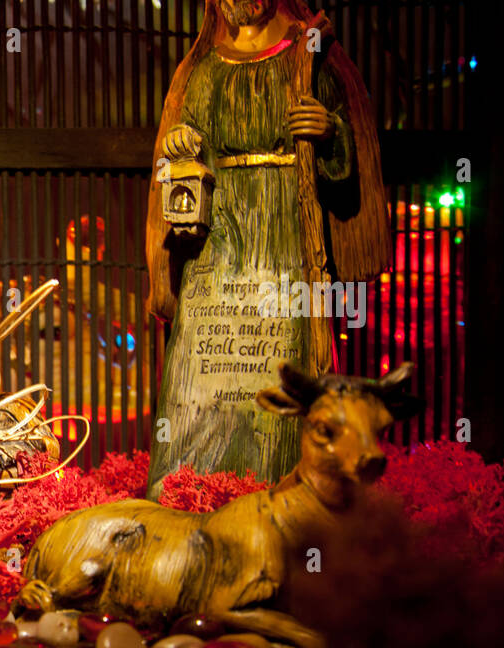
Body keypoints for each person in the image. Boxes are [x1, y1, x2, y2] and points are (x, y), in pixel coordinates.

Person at [144, 0, 389, 498]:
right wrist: (183, 140)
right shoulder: (205, 68)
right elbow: (183, 139)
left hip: (281, 226)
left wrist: (328, 132)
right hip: (216, 236)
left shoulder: (307, 53)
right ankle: (186, 486)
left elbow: (345, 150)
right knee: (198, 365)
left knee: (278, 366)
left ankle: (277, 484)